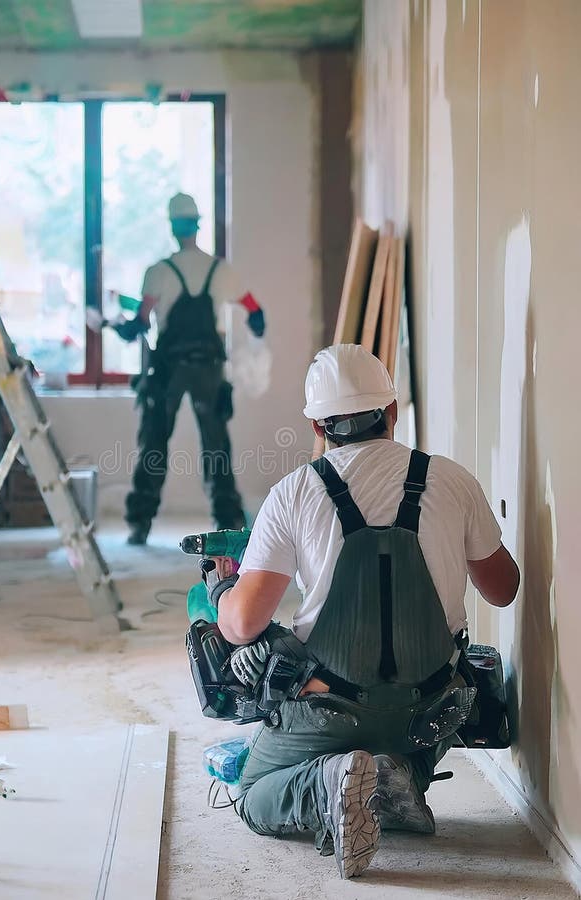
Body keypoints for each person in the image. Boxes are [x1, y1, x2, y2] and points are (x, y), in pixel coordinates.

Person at [206, 344, 519, 879]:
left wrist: (221, 585)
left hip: (330, 709)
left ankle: (328, 781)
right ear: (392, 411)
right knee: (422, 723)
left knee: (254, 793)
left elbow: (242, 625)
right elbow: (503, 589)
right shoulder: (452, 479)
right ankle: (398, 772)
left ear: (317, 425)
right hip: (430, 707)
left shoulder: (294, 493)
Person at [114, 193, 266, 545]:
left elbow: (141, 320)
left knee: (155, 442)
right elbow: (254, 309)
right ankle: (228, 520)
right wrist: (258, 330)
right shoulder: (221, 270)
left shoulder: (158, 272)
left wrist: (127, 326)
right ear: (197, 225)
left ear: (172, 227)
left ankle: (140, 524)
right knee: (216, 446)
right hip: (209, 369)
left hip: (169, 368)